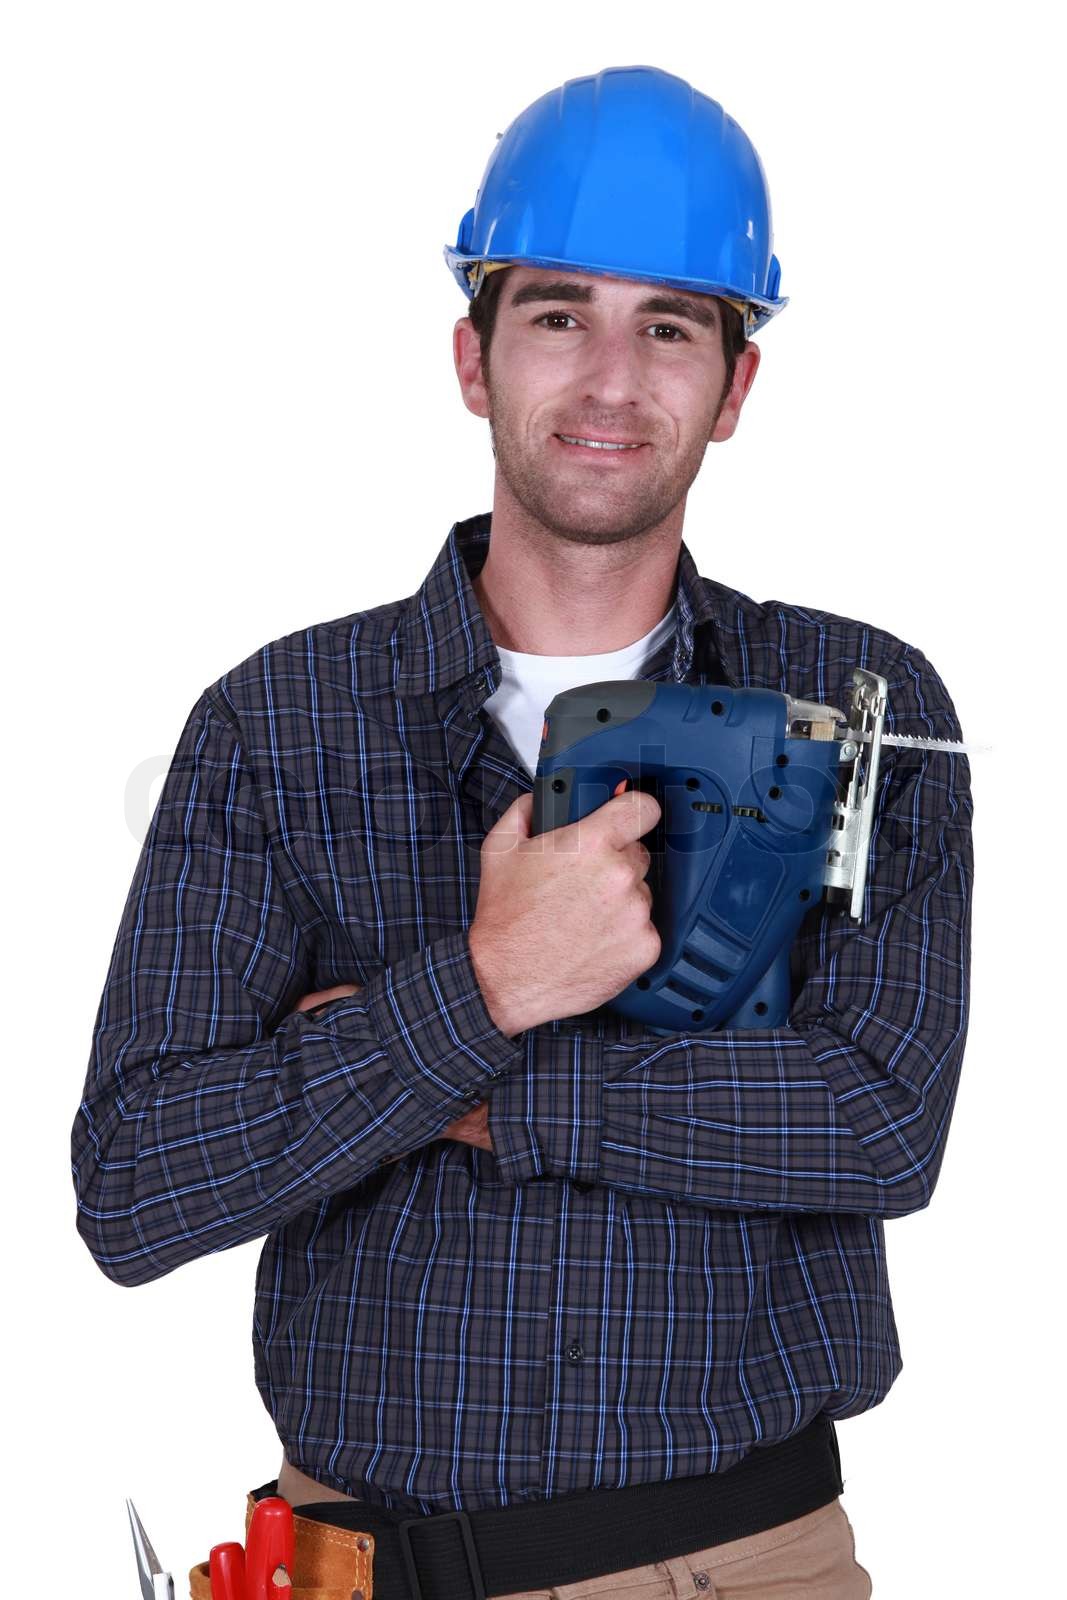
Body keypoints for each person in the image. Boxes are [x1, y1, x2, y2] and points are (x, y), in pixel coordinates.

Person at [71, 65, 972, 1600]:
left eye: (670, 324)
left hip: (733, 1570)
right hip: (343, 1568)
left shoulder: (855, 702)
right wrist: (487, 980)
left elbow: (877, 1123)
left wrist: (466, 1079)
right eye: (558, 314)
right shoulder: (276, 725)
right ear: (474, 362)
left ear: (735, 386)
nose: (611, 377)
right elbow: (140, 1185)